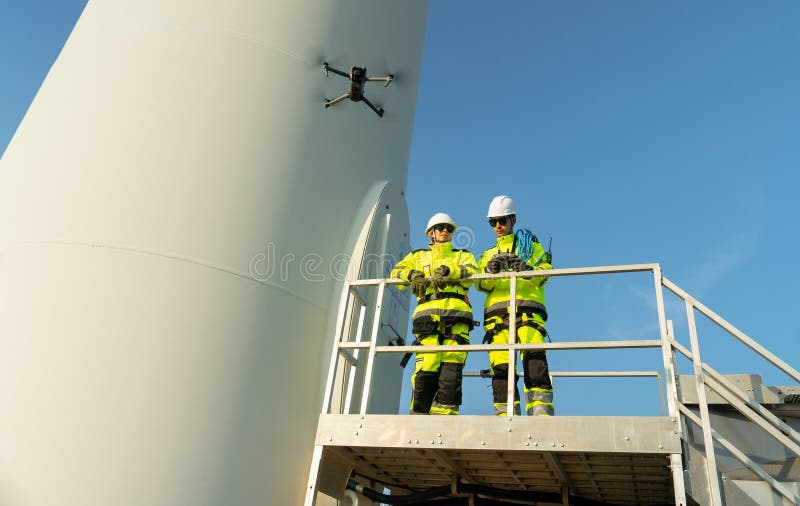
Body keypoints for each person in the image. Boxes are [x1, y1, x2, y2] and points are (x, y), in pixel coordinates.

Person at [391, 213, 478, 415]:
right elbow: (395, 273)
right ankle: (418, 422)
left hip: (456, 326)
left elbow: (471, 270)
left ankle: (445, 427)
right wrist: (411, 274)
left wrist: (448, 270)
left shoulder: (462, 255)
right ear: (431, 233)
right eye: (440, 228)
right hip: (427, 325)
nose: (445, 231)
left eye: (449, 228)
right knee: (424, 376)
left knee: (450, 378)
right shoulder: (417, 257)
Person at [476, 195, 554, 416]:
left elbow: (546, 273)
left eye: (502, 221)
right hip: (497, 318)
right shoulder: (487, 254)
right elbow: (480, 283)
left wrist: (526, 269)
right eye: (493, 222)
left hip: (528, 314)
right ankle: (505, 418)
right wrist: (491, 271)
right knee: (501, 370)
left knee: (534, 365)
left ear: (513, 220)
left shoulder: (533, 248)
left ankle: (541, 415)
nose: (498, 226)